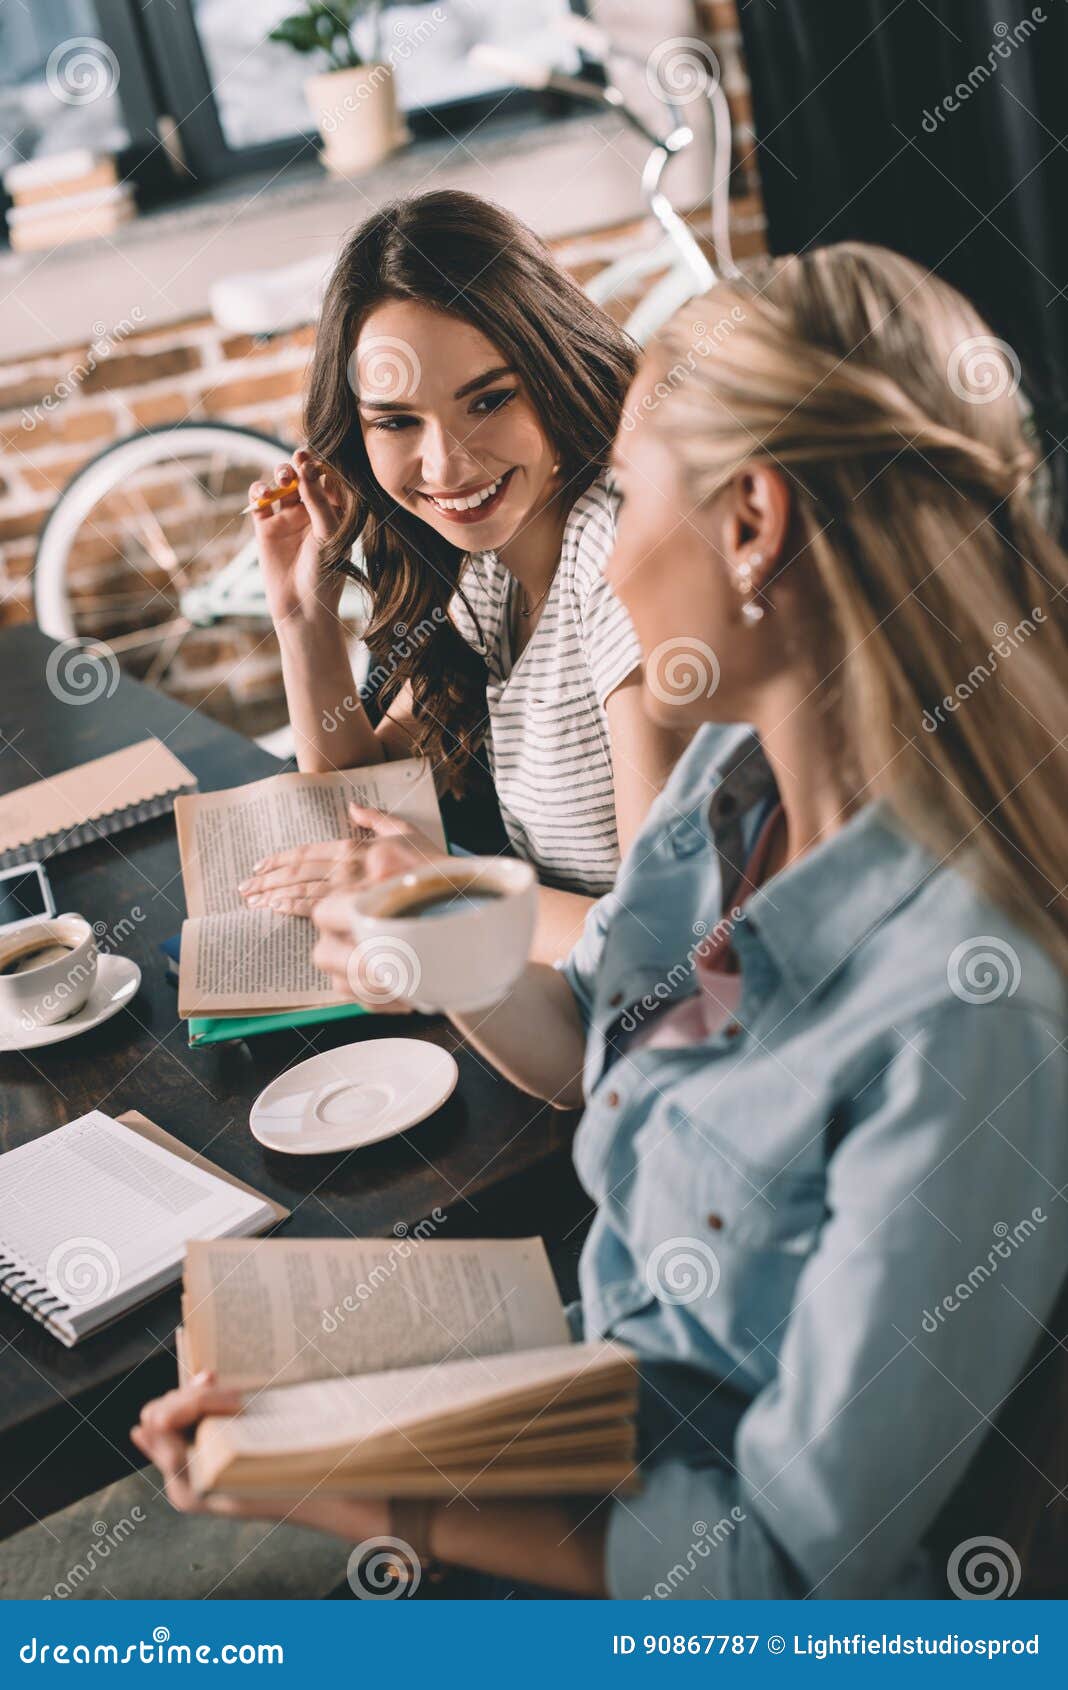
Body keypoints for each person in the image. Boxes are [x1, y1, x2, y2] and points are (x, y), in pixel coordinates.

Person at [134, 244, 1068, 1598]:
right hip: (603, 1395)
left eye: (629, 495)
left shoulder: (966, 1017)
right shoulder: (724, 789)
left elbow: (778, 1581)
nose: (609, 554)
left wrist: (372, 1490)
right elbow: (592, 1046)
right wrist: (437, 952)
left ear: (752, 522)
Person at [235, 189, 683, 962]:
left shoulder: (617, 556)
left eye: (488, 399)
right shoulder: (492, 573)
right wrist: (302, 613)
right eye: (397, 421)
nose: (446, 464)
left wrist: (435, 887)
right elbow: (359, 794)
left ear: (555, 368)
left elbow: (660, 940)